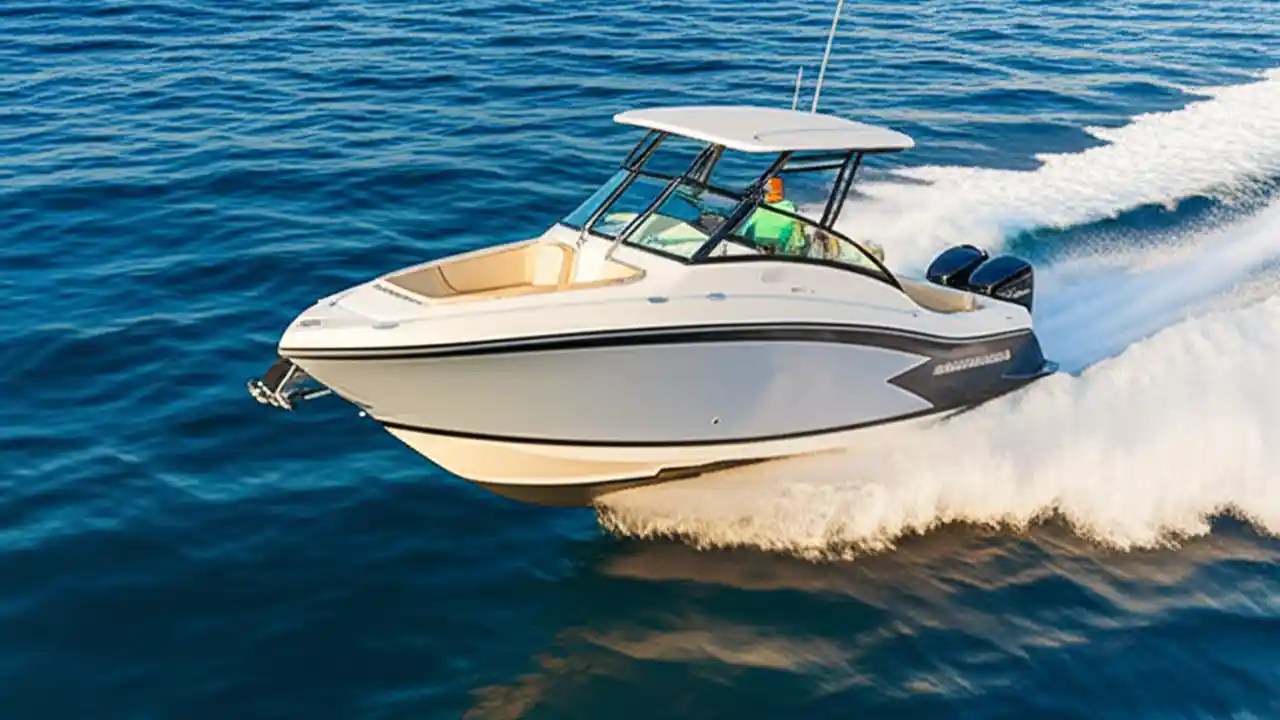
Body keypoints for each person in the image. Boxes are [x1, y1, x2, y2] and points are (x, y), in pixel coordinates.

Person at [743, 177, 803, 254]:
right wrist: (798, 245)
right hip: (780, 246)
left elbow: (746, 229)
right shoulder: (790, 208)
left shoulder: (759, 210)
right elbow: (797, 232)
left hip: (761, 244)